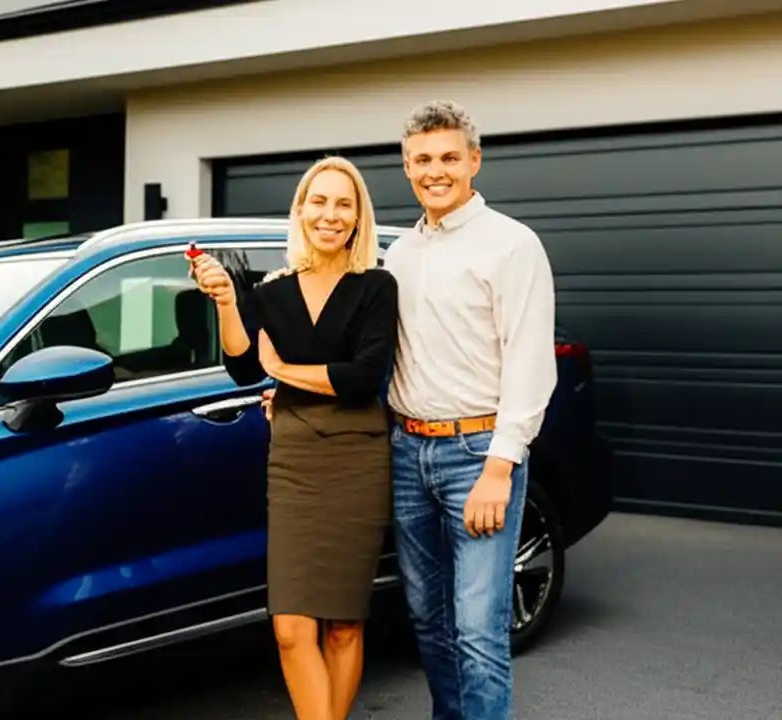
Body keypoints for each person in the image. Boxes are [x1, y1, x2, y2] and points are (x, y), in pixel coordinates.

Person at [190, 156, 398, 720]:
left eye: (343, 204)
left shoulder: (376, 285)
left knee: (343, 625)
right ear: (300, 210)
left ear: (358, 218)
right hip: (295, 459)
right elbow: (240, 366)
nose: (330, 215)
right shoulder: (271, 291)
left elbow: (363, 379)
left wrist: (283, 373)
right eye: (320, 201)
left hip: (358, 456)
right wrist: (228, 303)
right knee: (290, 627)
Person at [386, 100, 557, 719]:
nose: (436, 170)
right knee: (428, 619)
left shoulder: (512, 245)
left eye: (449, 157)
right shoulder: (399, 255)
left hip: (477, 455)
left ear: (474, 161)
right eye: (423, 159)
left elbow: (531, 365)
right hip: (409, 453)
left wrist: (499, 466)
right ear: (407, 168)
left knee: (479, 632)